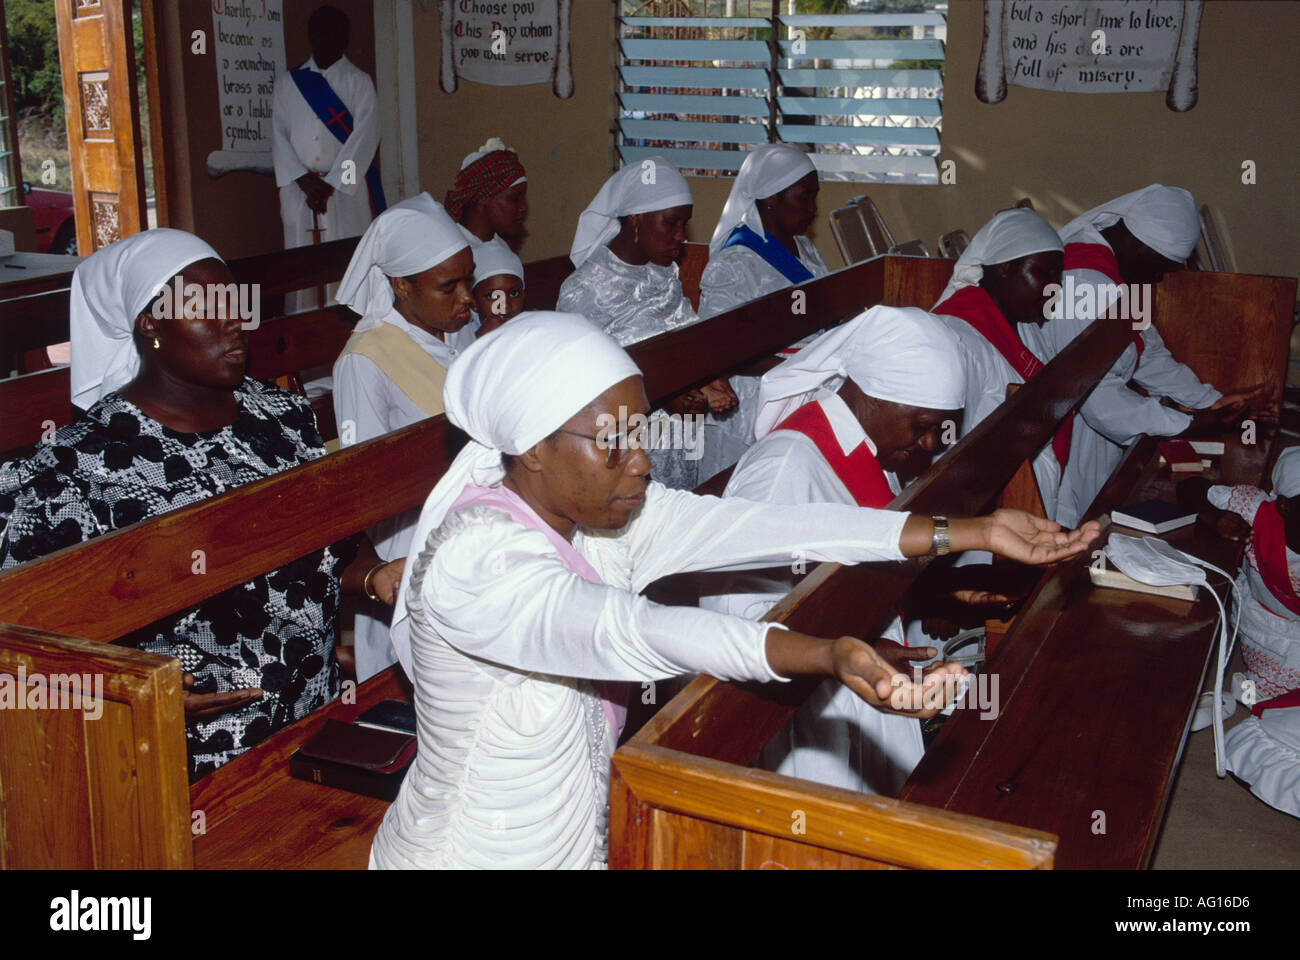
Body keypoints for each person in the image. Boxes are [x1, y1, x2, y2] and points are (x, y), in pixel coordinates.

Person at [366, 311, 1099, 869]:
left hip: (570, 843)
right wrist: (830, 653)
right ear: (530, 448)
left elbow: (773, 525)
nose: (641, 464)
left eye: (641, 433)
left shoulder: (598, 515)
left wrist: (967, 531)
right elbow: (636, 629)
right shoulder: (477, 564)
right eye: (611, 442)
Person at [0, 229, 403, 778]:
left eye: (233, 303)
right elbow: (21, 644)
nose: (232, 321)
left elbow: (327, 540)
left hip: (311, 715)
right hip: (188, 755)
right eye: (203, 308)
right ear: (150, 324)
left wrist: (376, 574)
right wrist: (129, 689)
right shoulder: (84, 468)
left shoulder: (280, 417)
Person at [708, 305, 1011, 794]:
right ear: (873, 396)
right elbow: (735, 620)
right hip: (802, 706)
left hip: (862, 669)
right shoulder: (785, 468)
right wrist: (852, 647)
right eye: (922, 425)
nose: (930, 443)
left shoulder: (874, 448)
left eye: (940, 428)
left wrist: (934, 591)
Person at [1016, 185, 1273, 526]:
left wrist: (1211, 401)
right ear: (1137, 243)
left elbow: (1147, 353)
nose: (1161, 278)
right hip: (1069, 432)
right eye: (1162, 266)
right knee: (1071, 528)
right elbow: (1101, 402)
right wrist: (1191, 424)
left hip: (1101, 428)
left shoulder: (1119, 276)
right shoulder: (1084, 282)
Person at [332, 199, 476, 681]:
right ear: (401, 285)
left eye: (468, 281)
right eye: (448, 287)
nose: (467, 298)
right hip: (406, 542)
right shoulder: (366, 358)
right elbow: (367, 486)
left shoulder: (457, 334)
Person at [557, 156, 737, 489]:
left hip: (676, 439)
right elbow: (580, 386)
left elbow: (685, 336)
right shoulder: (585, 290)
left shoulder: (664, 274)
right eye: (671, 223)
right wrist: (662, 394)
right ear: (636, 218)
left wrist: (709, 378)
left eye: (684, 223)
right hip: (620, 449)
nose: (681, 235)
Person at [931, 208, 1065, 517]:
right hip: (985, 512)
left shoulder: (1026, 325)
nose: (1054, 287)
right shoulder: (959, 335)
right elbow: (950, 450)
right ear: (1003, 267)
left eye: (1059, 275)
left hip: (1026, 493)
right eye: (1043, 273)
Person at [272, 5, 383, 310]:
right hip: (300, 190)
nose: (328, 38)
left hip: (345, 190)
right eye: (321, 31)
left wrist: (332, 183)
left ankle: (348, 325)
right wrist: (302, 179)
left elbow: (365, 136)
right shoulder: (288, 84)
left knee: (345, 261)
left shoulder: (359, 82)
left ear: (345, 38)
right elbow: (278, 136)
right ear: (310, 35)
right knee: (300, 263)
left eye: (336, 32)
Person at [1178, 448, 1300, 702]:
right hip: (1269, 627)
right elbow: (1190, 487)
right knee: (1280, 705)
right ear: (1284, 505)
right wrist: (1214, 517)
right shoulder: (1256, 511)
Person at [698, 143, 828, 322]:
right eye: (804, 198)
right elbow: (717, 337)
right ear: (771, 197)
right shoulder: (733, 263)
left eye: (815, 197)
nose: (813, 209)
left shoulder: (803, 245)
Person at [445, 137, 529, 254]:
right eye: (514, 198)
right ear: (483, 196)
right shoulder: (451, 254)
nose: (523, 208)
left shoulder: (501, 250)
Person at [470, 240, 526, 337]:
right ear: (474, 302)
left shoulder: (531, 330)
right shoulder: (460, 340)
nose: (505, 306)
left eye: (514, 294)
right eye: (493, 296)